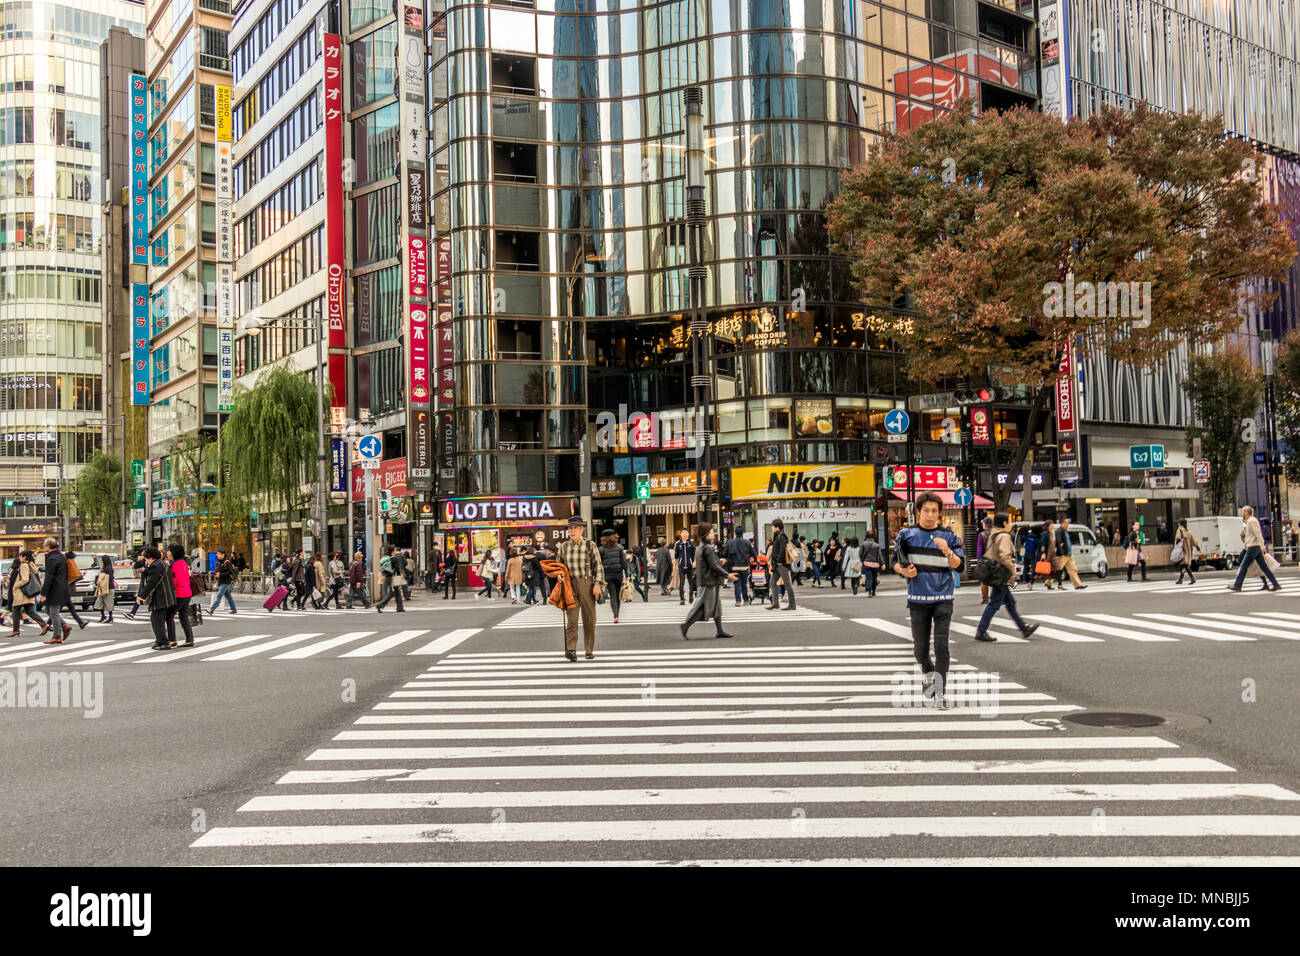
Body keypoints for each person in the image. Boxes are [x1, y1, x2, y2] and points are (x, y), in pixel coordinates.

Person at [893, 492, 965, 709]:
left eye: (934, 511)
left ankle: (940, 693)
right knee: (920, 650)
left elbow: (960, 566)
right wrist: (905, 571)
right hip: (917, 599)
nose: (931, 515)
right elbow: (893, 562)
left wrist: (947, 551)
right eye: (926, 511)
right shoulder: (906, 535)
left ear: (939, 513)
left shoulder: (949, 536)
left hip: (943, 597)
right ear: (918, 512)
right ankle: (928, 672)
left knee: (942, 645)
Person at [973, 513, 1041, 642]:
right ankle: (981, 631)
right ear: (1004, 523)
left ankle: (1024, 628)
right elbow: (1005, 556)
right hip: (1001, 574)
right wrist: (1012, 574)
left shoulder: (993, 534)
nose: (1011, 524)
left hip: (995, 573)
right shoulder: (1004, 536)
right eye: (1009, 522)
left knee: (1010, 603)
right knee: (993, 604)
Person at [557, 516, 605, 661]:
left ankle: (589, 650)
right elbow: (558, 565)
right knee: (571, 619)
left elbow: (598, 566)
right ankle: (571, 649)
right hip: (569, 585)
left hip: (587, 584)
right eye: (570, 528)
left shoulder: (590, 545)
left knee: (589, 619)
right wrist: (558, 575)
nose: (572, 531)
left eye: (575, 528)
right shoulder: (564, 547)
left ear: (582, 529)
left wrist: (598, 584)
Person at [680, 522, 737, 639]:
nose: (713, 534)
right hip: (708, 582)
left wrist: (717, 561)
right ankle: (685, 625)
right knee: (706, 607)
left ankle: (720, 631)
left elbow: (708, 563)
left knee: (716, 606)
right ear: (705, 534)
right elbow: (714, 566)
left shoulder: (700, 546)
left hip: (705, 581)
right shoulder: (708, 548)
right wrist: (728, 575)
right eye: (711, 532)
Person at [1228, 505, 1281, 592]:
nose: (1242, 512)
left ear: (1247, 512)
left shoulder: (1251, 521)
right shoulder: (1250, 521)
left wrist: (1262, 546)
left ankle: (1237, 585)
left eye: (1243, 511)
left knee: (1244, 566)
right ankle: (1275, 584)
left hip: (1253, 547)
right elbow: (1254, 534)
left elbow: (1258, 534)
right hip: (1255, 547)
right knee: (1264, 568)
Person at [135, 547, 176, 650]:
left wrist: (141, 596)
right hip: (167, 597)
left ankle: (163, 642)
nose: (146, 561)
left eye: (147, 558)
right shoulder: (163, 564)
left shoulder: (155, 566)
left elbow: (151, 583)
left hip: (160, 597)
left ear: (152, 557)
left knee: (156, 620)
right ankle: (160, 640)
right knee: (158, 619)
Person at [36, 537, 71, 644]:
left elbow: (49, 577)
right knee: (46, 609)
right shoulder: (61, 556)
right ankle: (64, 626)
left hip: (55, 588)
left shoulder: (51, 558)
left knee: (53, 612)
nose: (43, 547)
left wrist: (44, 593)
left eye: (44, 545)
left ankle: (56, 636)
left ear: (48, 546)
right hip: (62, 587)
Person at [6, 551, 49, 638]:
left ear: (24, 557)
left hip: (22, 593)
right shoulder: (31, 564)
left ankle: (15, 630)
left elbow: (25, 579)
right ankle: (44, 625)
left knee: (15, 610)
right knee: (29, 611)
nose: (19, 558)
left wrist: (15, 585)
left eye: (20, 556)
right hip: (29, 592)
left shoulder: (24, 566)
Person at [167, 543, 196, 648]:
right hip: (186, 593)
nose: (167, 552)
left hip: (179, 594)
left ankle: (172, 640)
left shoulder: (176, 564)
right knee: (183, 616)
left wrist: (168, 581)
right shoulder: (182, 562)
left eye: (169, 550)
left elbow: (178, 579)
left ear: (174, 552)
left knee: (169, 616)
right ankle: (189, 639)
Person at [599, 530, 631, 623]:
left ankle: (615, 615)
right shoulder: (619, 548)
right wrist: (627, 575)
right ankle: (617, 615)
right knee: (617, 595)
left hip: (608, 575)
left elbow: (599, 564)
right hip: (618, 574)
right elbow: (624, 562)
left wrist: (600, 576)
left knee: (612, 595)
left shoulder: (601, 549)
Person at [765, 518, 797, 610]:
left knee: (787, 584)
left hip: (781, 564)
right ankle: (775, 603)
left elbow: (782, 549)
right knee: (772, 583)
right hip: (777, 565)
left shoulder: (782, 536)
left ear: (777, 527)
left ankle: (792, 604)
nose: (771, 528)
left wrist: (779, 561)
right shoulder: (777, 535)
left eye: (772, 526)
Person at [1053, 517, 1088, 590]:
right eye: (1066, 523)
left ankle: (1078, 585)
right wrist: (1061, 551)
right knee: (1058, 569)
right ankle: (1048, 582)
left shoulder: (1066, 531)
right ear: (1062, 523)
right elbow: (1058, 543)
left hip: (1069, 553)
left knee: (1073, 569)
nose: (1068, 524)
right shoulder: (1059, 531)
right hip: (1063, 554)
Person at [723, 531, 754, 606]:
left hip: (735, 566)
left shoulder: (730, 542)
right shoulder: (746, 542)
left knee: (737, 584)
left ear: (734, 533)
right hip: (744, 567)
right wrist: (756, 560)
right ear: (742, 533)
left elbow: (725, 553)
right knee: (744, 584)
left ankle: (738, 601)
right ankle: (746, 600)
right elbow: (753, 552)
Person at [376, 545, 407, 611]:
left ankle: (400, 608)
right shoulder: (394, 558)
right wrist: (401, 575)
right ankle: (379, 605)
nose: (396, 551)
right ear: (393, 551)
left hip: (388, 577)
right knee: (391, 593)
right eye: (395, 550)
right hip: (394, 578)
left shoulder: (385, 557)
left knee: (397, 593)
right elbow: (397, 568)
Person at [673, 528, 696, 606]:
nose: (685, 534)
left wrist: (695, 562)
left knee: (691, 582)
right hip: (681, 566)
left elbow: (695, 553)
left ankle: (690, 597)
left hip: (690, 565)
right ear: (681, 534)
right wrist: (675, 566)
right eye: (683, 532)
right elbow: (676, 556)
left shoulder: (692, 543)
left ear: (688, 534)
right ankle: (682, 599)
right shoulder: (678, 544)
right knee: (681, 583)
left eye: (686, 532)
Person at [210, 550, 237, 614]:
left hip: (226, 582)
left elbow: (229, 572)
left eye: (218, 554)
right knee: (229, 597)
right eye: (217, 554)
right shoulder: (219, 563)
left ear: (223, 554)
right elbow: (219, 572)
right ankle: (234, 609)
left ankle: (211, 610)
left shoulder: (227, 562)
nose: (217, 555)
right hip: (222, 582)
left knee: (219, 596)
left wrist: (220, 575)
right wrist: (216, 575)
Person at [1173, 517, 1200, 585]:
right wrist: (1198, 548)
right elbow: (1194, 541)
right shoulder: (1188, 532)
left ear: (1180, 524)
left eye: (1178, 523)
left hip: (1182, 550)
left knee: (1185, 565)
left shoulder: (1179, 530)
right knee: (1183, 565)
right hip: (1188, 551)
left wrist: (1176, 546)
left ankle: (1192, 578)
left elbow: (1178, 537)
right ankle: (1180, 579)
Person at [976, 517, 994, 604]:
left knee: (984, 580)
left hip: (985, 560)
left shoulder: (981, 535)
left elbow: (980, 549)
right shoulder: (995, 534)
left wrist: (979, 560)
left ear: (985, 525)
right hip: (995, 559)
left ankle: (985, 597)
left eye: (983, 523)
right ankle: (997, 597)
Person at [92, 555, 115, 623]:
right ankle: (103, 616)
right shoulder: (104, 568)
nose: (101, 561)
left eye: (102, 560)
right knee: (100, 602)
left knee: (108, 602)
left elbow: (109, 577)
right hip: (102, 587)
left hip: (108, 588)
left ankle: (110, 617)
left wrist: (101, 577)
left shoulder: (109, 568)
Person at [861, 531, 883, 597]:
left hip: (867, 563)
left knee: (869, 577)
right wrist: (883, 563)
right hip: (875, 564)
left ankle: (869, 591)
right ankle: (873, 591)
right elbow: (880, 555)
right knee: (874, 577)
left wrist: (862, 560)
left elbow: (860, 553)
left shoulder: (863, 544)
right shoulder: (876, 545)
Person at [1039, 520, 1059, 589]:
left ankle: (1048, 583)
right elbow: (1043, 544)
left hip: (1053, 554)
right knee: (1049, 569)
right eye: (1051, 524)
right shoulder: (1045, 533)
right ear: (1048, 526)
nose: (1053, 526)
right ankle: (1047, 583)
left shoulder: (1052, 533)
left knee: (1054, 570)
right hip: (1048, 554)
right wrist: (1043, 553)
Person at [1020, 523, 1040, 590]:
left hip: (1026, 553)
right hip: (1032, 553)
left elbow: (1022, 538)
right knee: (1033, 566)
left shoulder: (1027, 537)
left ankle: (1024, 578)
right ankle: (1031, 578)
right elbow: (1037, 547)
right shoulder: (1036, 539)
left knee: (1026, 566)